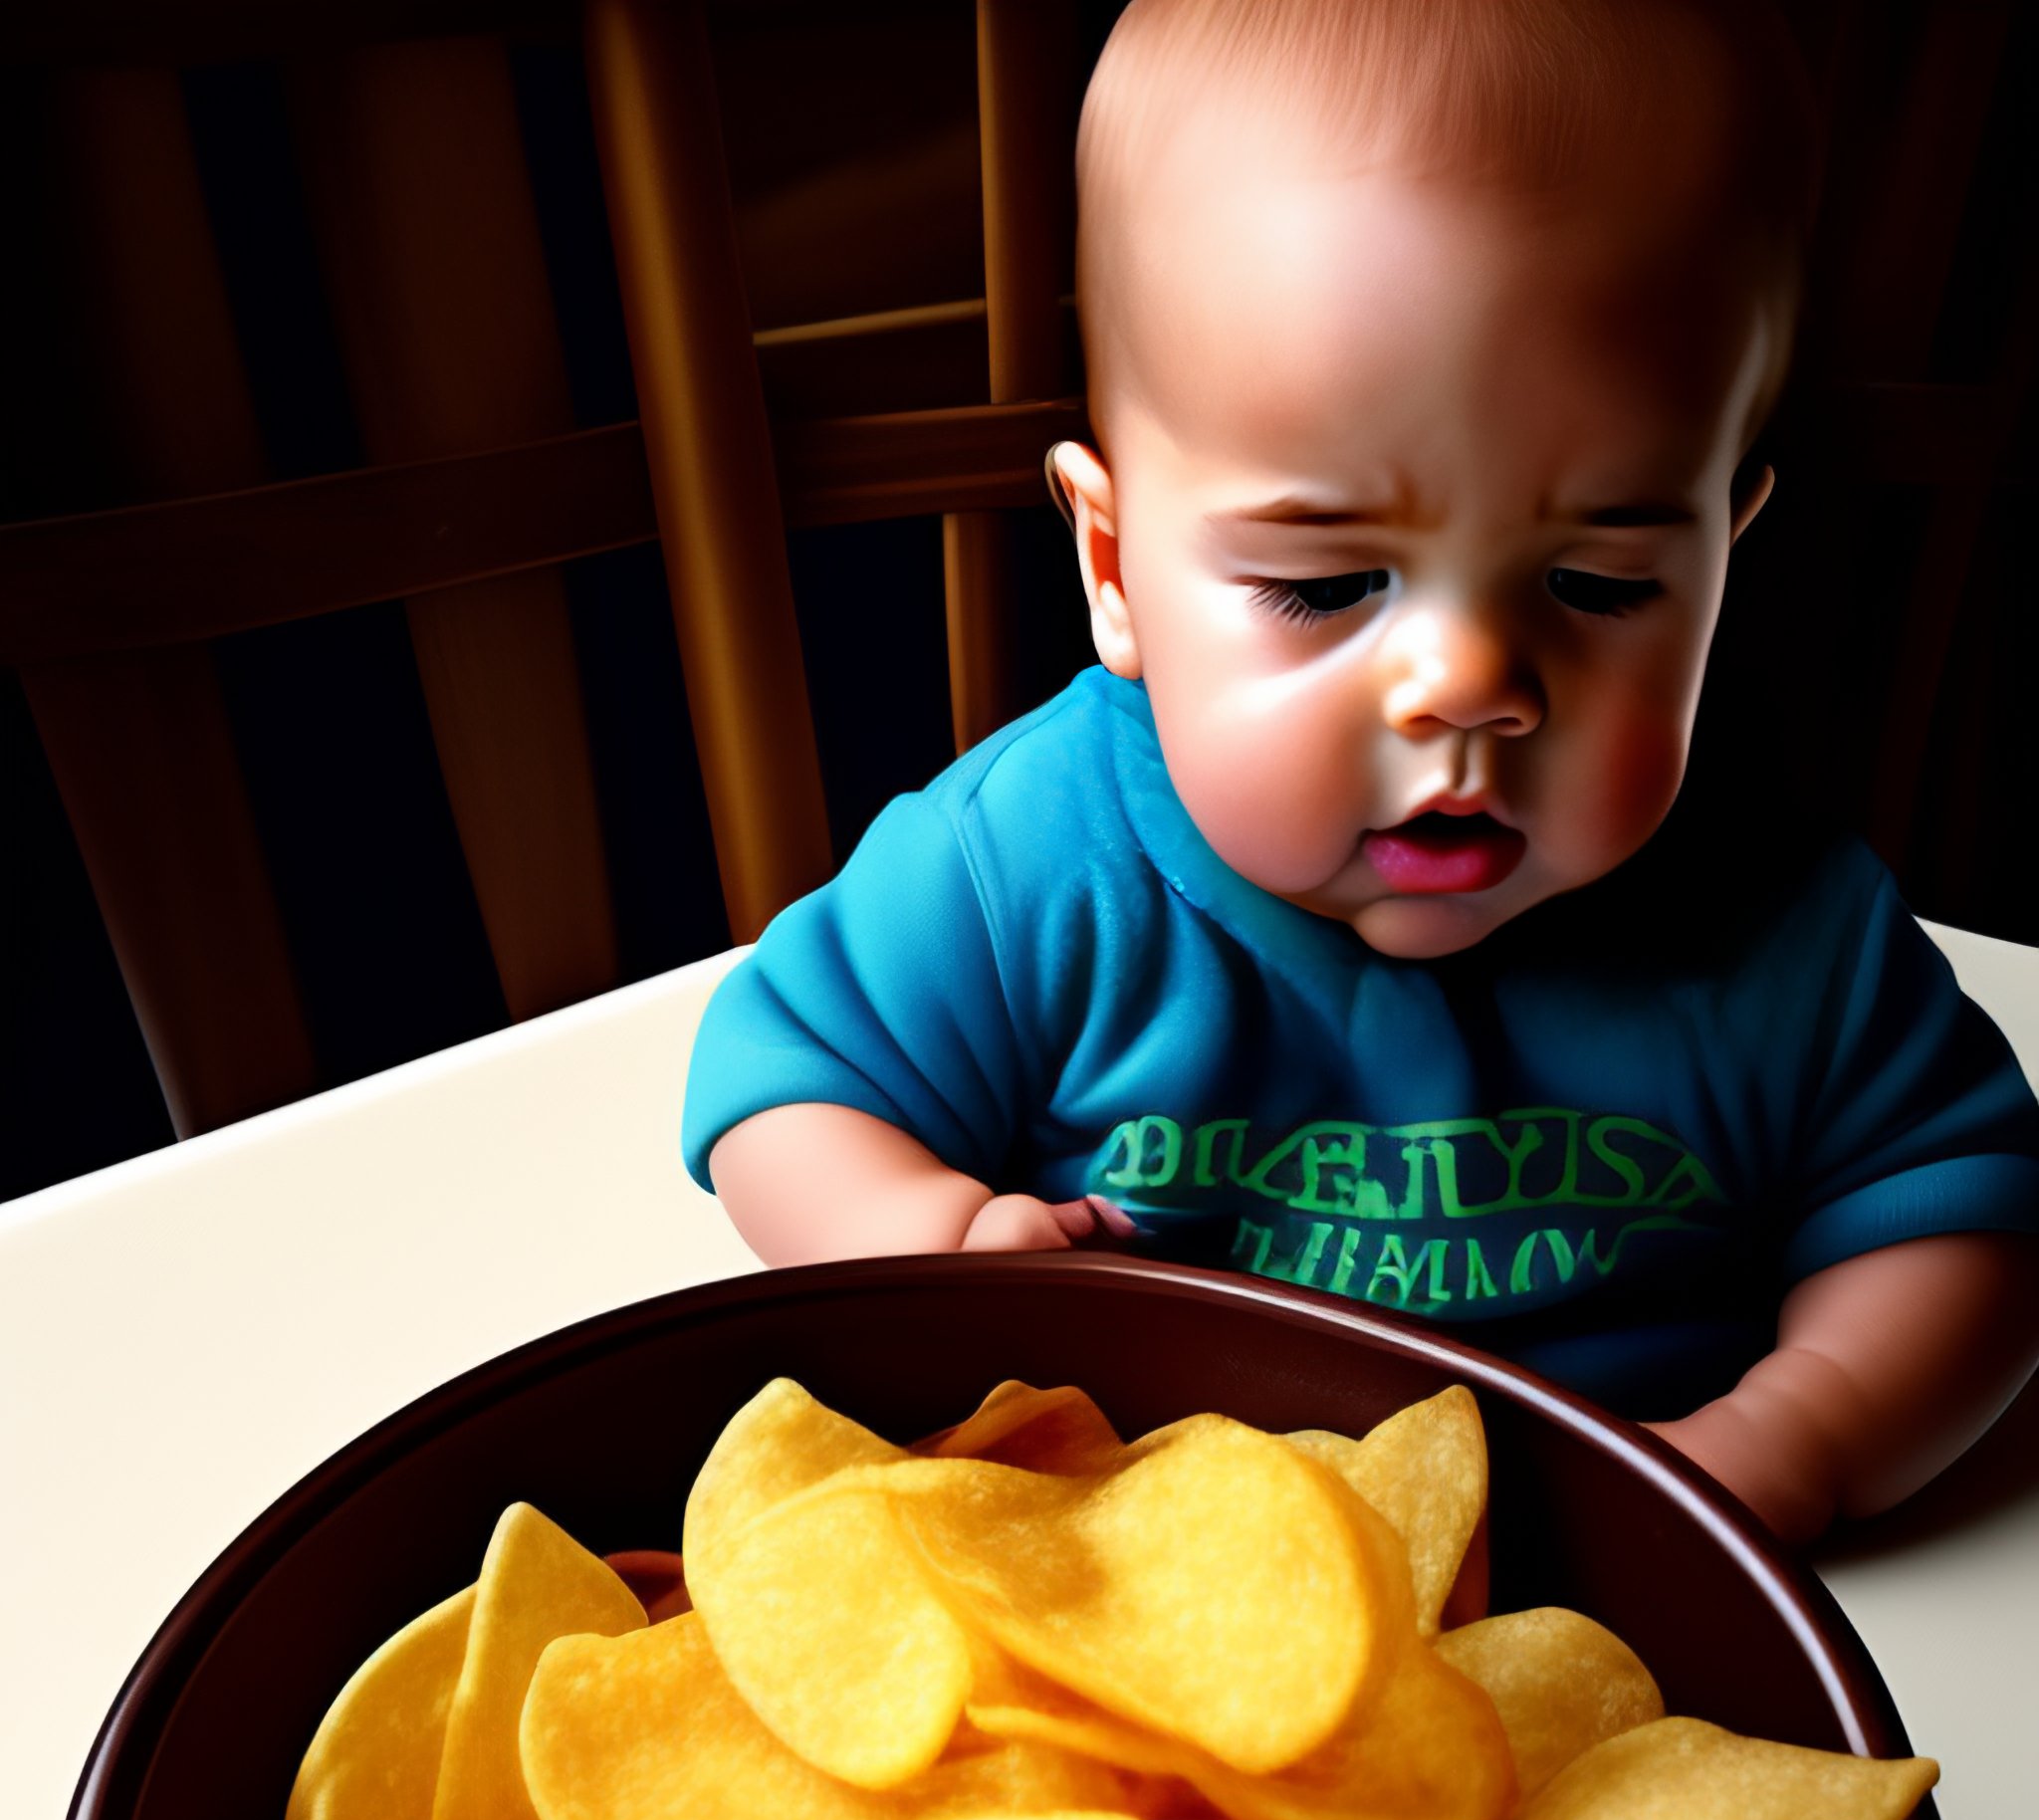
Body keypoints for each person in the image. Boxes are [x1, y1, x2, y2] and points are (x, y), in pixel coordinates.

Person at [684, 0, 2039, 1543]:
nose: (1468, 684)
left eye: (1598, 586)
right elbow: (782, 1092)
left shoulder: (1784, 932)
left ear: (1723, 558)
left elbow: (1970, 1220)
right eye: (1326, 586)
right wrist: (929, 1239)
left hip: (1618, 1589)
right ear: (1115, 566)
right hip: (1141, 1575)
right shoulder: (1029, 870)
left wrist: (1798, 1438)